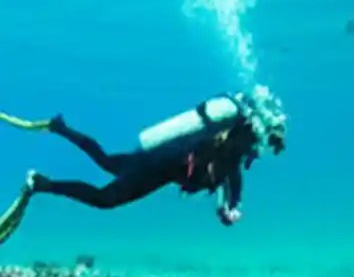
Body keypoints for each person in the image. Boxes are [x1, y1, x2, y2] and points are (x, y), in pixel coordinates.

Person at [3, 87, 286, 230]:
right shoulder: (229, 150)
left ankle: (59, 127)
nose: (259, 151)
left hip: (155, 157)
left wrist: (229, 208)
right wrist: (229, 209)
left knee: (105, 161)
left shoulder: (229, 150)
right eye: (263, 143)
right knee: (105, 199)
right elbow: (231, 181)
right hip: (159, 167)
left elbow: (231, 184)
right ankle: (41, 183)